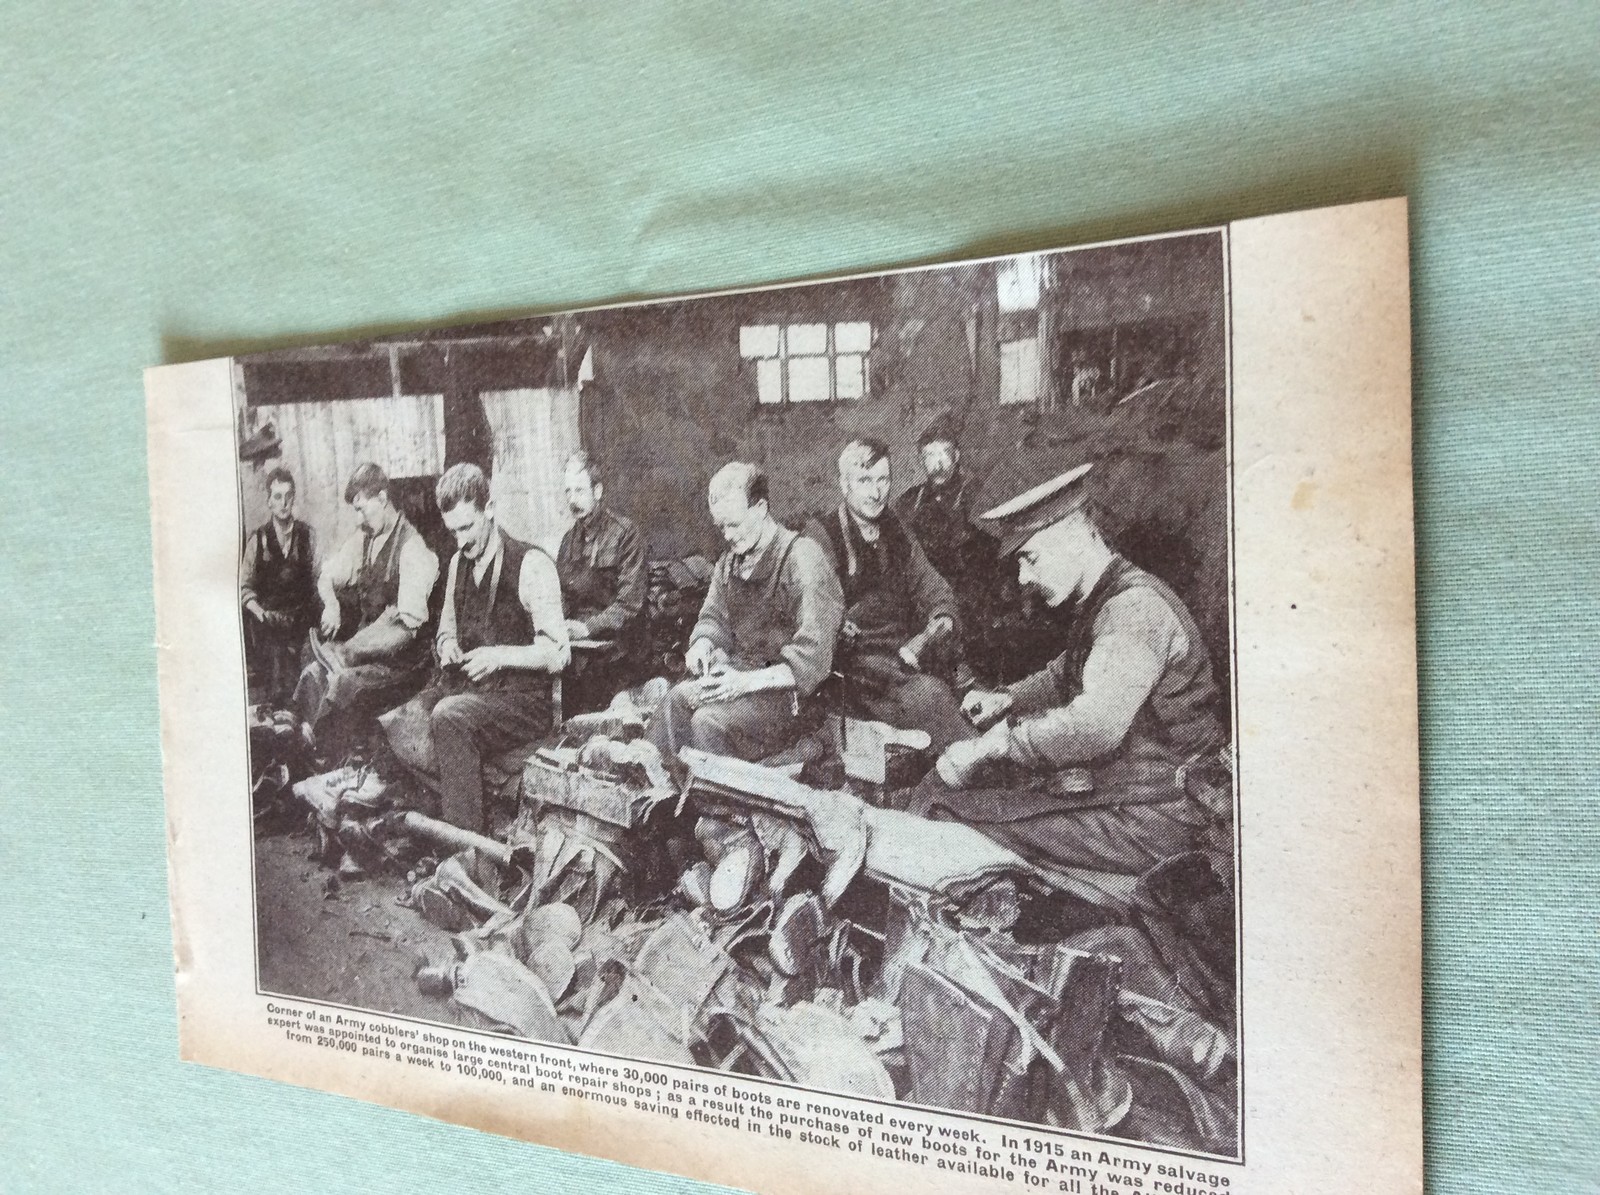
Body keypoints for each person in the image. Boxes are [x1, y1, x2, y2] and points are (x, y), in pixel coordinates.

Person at [909, 463, 1226, 878]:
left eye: (1030, 558)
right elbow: (1069, 670)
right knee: (982, 791)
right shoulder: (1106, 595)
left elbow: (1095, 726)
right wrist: (1009, 698)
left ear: (1075, 536)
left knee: (944, 808)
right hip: (1138, 792)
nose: (1023, 578)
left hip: (1161, 816)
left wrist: (996, 745)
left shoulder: (1132, 610)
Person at [383, 463, 570, 833]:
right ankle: (462, 810)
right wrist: (448, 645)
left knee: (449, 717)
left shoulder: (531, 563)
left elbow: (558, 653)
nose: (461, 541)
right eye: (452, 531)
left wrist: (499, 656)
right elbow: (446, 632)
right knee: (396, 722)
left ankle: (468, 848)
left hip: (523, 701)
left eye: (467, 527)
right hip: (474, 690)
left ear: (490, 509)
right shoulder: (457, 564)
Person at [646, 462, 843, 764]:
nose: (727, 535)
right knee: (675, 701)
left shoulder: (802, 559)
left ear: (761, 507)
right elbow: (713, 618)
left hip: (794, 697)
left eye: (734, 525)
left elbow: (812, 660)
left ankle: (720, 808)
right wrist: (702, 645)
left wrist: (743, 682)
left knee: (707, 722)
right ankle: (667, 795)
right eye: (721, 527)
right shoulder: (729, 563)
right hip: (743, 679)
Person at [804, 439, 971, 750]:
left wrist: (942, 617)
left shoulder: (896, 529)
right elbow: (810, 614)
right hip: (852, 676)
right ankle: (975, 757)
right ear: (845, 484)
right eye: (864, 481)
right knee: (930, 698)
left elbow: (932, 586)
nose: (876, 492)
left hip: (902, 660)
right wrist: (835, 624)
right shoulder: (821, 537)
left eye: (883, 480)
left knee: (959, 694)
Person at [292, 462, 439, 752]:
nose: (358, 518)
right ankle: (304, 742)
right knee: (314, 670)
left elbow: (405, 631)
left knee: (343, 682)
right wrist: (331, 604)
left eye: (362, 509)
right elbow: (327, 576)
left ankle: (331, 757)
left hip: (402, 663)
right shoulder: (364, 538)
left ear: (383, 498)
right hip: (367, 650)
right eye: (355, 510)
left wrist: (350, 651)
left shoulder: (413, 549)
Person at [554, 450, 650, 714]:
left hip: (620, 651)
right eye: (568, 492)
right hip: (580, 651)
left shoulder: (625, 534)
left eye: (580, 491)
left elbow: (630, 605)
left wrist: (587, 628)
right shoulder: (567, 542)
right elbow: (561, 596)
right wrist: (558, 625)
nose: (572, 500)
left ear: (597, 491)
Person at [241, 466, 319, 704]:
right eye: (277, 497)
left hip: (301, 624)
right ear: (269, 502)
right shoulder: (258, 539)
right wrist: (261, 613)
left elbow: (320, 580)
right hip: (270, 626)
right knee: (276, 676)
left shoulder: (308, 536)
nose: (283, 503)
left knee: (310, 669)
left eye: (288, 496)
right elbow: (244, 588)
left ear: (293, 498)